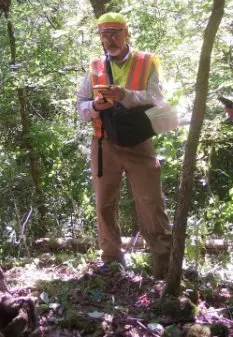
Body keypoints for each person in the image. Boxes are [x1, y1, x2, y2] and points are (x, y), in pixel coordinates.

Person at [76, 12, 172, 279]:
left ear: (126, 33)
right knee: (104, 203)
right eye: (104, 35)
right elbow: (81, 104)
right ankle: (112, 261)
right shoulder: (95, 66)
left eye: (115, 33)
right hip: (104, 142)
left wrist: (125, 96)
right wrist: (95, 106)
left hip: (139, 142)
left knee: (151, 203)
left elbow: (157, 98)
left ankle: (163, 266)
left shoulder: (147, 61)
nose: (110, 40)